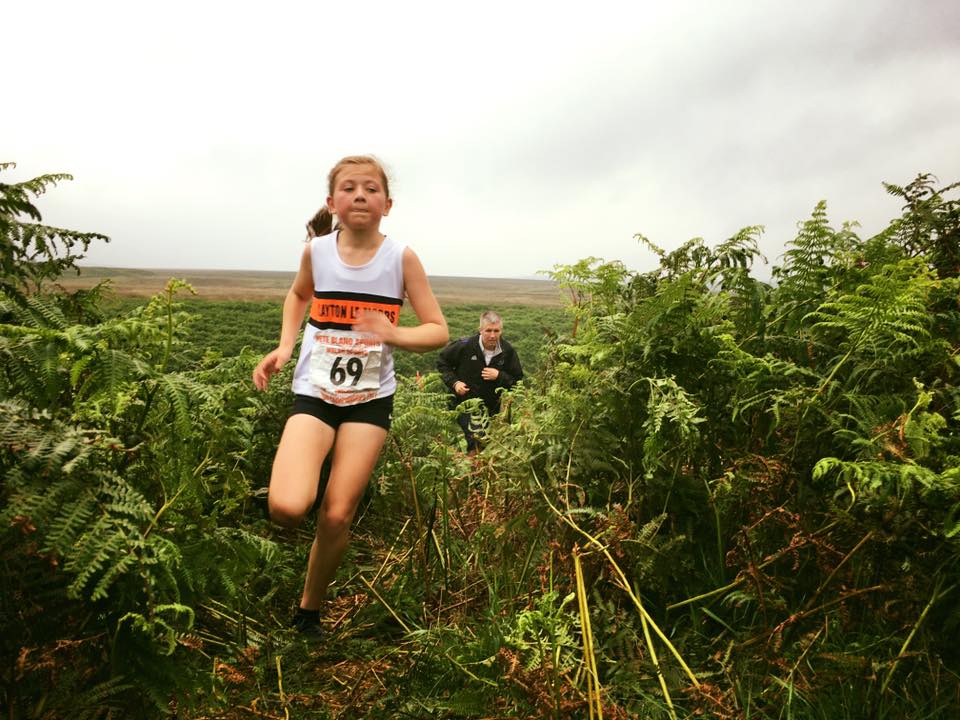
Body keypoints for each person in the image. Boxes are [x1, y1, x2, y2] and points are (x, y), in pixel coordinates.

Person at [252, 155, 448, 635]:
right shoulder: (316, 253)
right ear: (331, 202)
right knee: (286, 507)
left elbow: (438, 331)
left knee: (337, 514)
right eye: (349, 188)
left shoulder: (401, 258)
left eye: (370, 189)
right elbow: (299, 295)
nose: (360, 195)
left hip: (369, 401)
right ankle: (288, 505)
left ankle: (308, 612)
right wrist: (283, 346)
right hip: (314, 393)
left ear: (387, 204)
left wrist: (393, 334)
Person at [437, 310, 523, 452]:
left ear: (501, 331)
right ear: (480, 330)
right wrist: (455, 383)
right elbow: (442, 362)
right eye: (488, 330)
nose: (492, 335)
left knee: (493, 445)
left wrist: (499, 376)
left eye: (496, 331)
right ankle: (474, 470)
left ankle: (482, 471)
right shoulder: (464, 346)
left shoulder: (507, 351)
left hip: (493, 409)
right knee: (476, 439)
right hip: (464, 404)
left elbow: (517, 380)